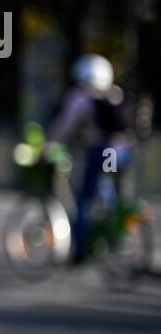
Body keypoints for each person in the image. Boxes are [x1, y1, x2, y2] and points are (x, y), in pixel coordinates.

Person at [47, 53, 133, 261]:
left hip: (101, 151)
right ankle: (113, 230)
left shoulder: (81, 97)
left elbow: (65, 126)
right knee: (110, 188)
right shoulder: (115, 94)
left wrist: (50, 144)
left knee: (85, 199)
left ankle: (80, 251)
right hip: (120, 152)